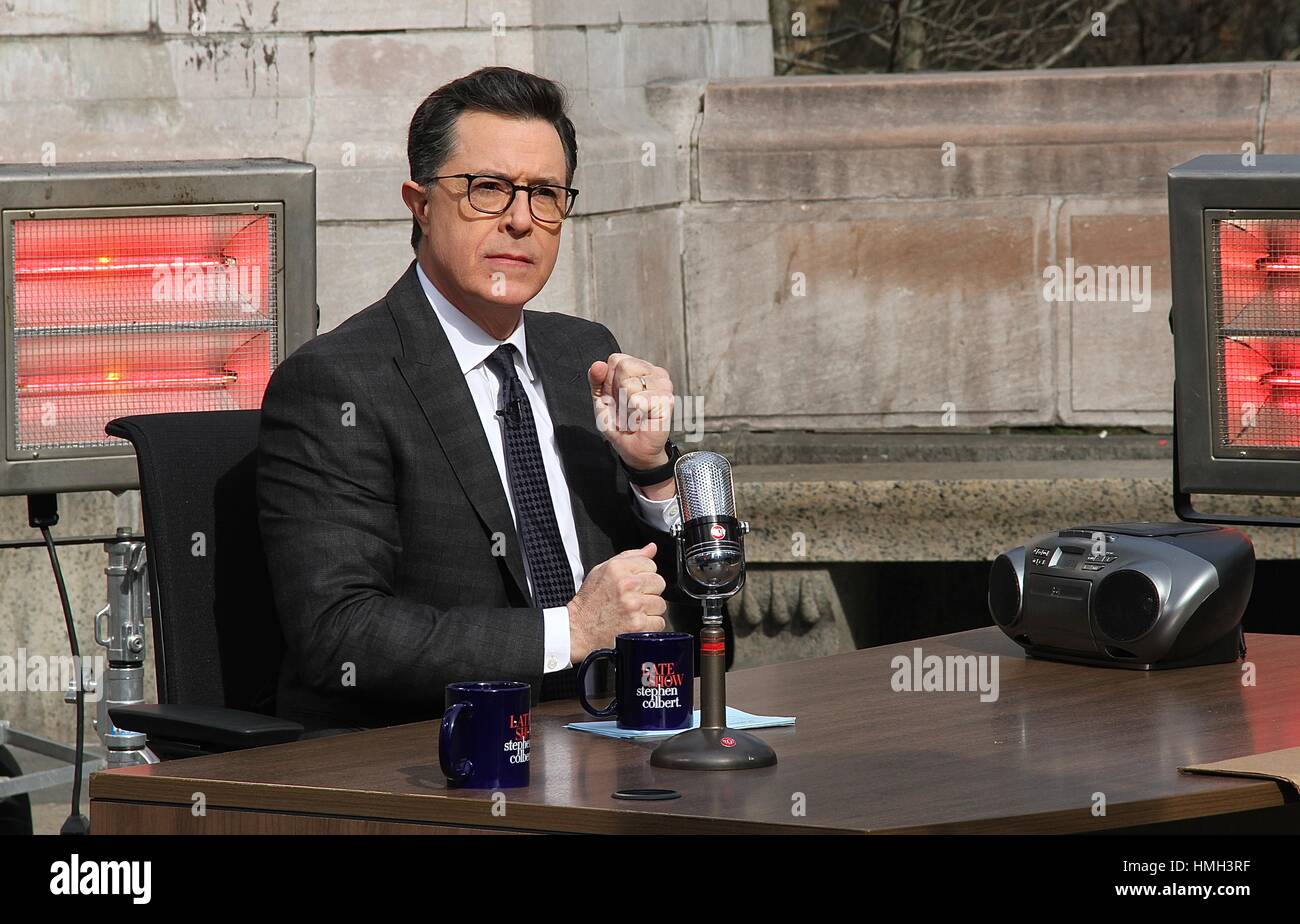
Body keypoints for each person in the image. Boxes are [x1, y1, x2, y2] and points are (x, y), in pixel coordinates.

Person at [257, 66, 689, 730]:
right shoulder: (339, 382)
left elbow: (704, 635)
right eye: (488, 189)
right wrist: (567, 632)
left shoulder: (586, 356)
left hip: (609, 741)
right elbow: (337, 633)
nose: (521, 220)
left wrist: (652, 475)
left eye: (545, 194)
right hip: (429, 764)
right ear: (421, 203)